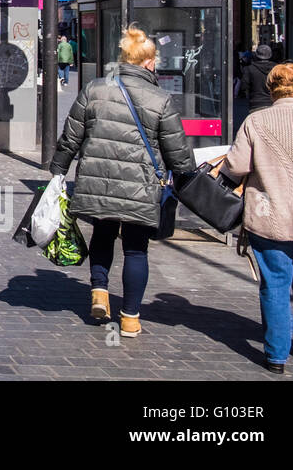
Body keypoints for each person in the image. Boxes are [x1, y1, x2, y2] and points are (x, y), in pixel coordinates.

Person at [49, 27, 195, 339]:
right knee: (136, 250)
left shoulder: (95, 89)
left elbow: (70, 137)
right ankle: (130, 318)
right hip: (140, 187)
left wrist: (58, 170)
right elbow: (179, 155)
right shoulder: (161, 99)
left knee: (102, 235)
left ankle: (100, 293)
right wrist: (187, 179)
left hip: (98, 182)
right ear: (149, 62)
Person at [224, 62, 293, 373]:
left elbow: (235, 167)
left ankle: (277, 356)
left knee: (275, 283)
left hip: (270, 217)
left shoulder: (257, 121)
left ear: (271, 88)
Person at [240, 44, 277, 117]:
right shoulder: (276, 68)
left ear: (256, 55)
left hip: (256, 103)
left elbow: (244, 86)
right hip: (273, 102)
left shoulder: (249, 69)